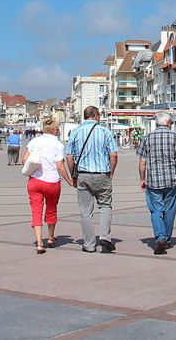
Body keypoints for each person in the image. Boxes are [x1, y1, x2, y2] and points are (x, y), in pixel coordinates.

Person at [65, 106, 119, 253]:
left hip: (83, 174)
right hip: (103, 173)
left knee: (85, 211)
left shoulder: (75, 132)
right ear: (95, 115)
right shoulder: (105, 131)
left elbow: (69, 156)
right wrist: (111, 172)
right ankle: (105, 237)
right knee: (105, 206)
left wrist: (73, 175)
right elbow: (113, 155)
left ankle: (89, 244)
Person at [138, 112, 176, 254]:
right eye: (171, 122)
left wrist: (142, 178)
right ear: (168, 123)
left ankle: (160, 236)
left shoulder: (148, 137)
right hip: (172, 180)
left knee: (155, 209)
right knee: (170, 209)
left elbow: (142, 162)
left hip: (153, 180)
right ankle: (166, 239)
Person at [24, 118, 73, 254]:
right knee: (51, 209)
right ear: (55, 130)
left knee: (36, 211)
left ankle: (39, 243)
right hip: (52, 182)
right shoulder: (58, 144)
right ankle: (51, 237)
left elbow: (24, 159)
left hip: (35, 181)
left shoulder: (34, 141)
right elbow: (60, 166)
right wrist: (69, 181)